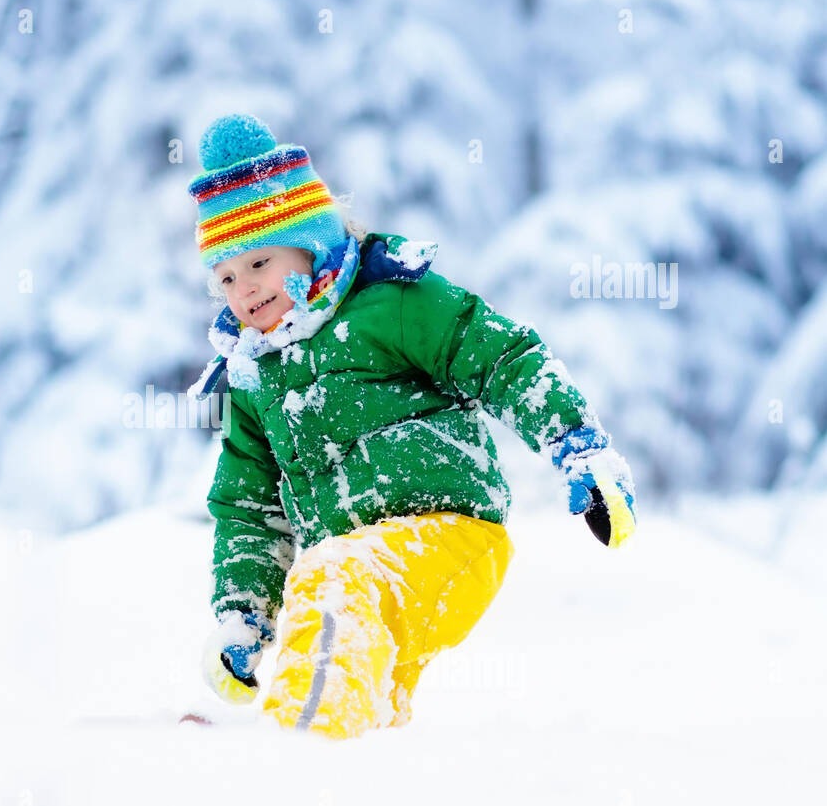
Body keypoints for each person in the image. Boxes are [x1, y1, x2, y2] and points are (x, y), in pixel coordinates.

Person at [186, 114, 636, 739]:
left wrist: (578, 450)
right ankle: (352, 789)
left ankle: (291, 756)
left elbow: (501, 358)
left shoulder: (389, 302)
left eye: (259, 261)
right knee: (360, 683)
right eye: (227, 277)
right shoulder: (253, 377)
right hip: (357, 570)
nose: (245, 289)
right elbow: (249, 510)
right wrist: (245, 615)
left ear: (310, 244)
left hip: (452, 536)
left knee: (335, 585)